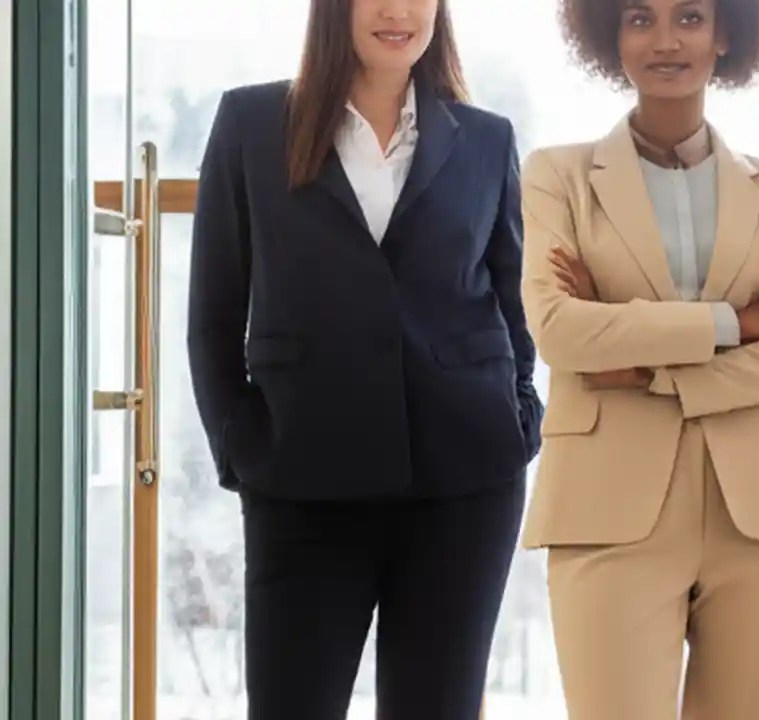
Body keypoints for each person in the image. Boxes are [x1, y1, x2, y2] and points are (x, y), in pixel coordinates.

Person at [186, 0, 542, 716]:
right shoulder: (252, 127)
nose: (397, 11)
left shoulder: (485, 140)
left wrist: (520, 415)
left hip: (462, 482)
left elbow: (515, 303)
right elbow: (213, 315)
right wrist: (243, 447)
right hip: (302, 478)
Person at [518, 0, 759, 717]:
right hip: (606, 507)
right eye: (640, 19)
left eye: (690, 18)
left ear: (727, 33)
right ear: (610, 34)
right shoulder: (557, 176)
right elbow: (562, 333)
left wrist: (648, 370)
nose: (666, 40)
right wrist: (744, 322)